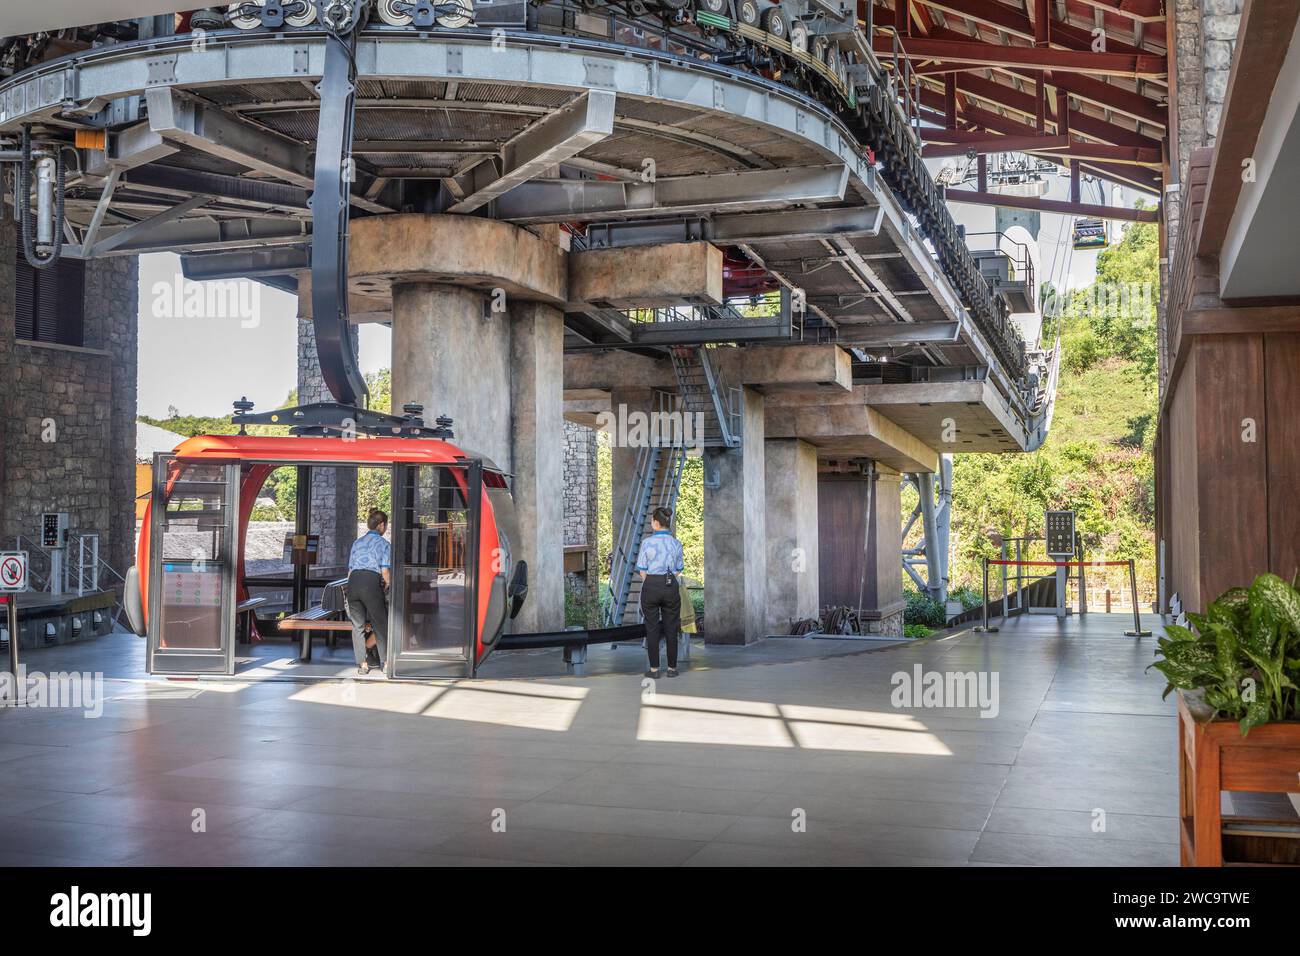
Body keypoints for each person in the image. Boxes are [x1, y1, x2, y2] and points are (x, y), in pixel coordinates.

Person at [635, 506, 685, 679]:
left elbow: (642, 570)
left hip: (651, 585)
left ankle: (654, 670)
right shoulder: (676, 543)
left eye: (651, 521)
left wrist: (651, 582)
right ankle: (672, 669)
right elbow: (679, 569)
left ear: (656, 523)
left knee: (652, 627)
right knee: (671, 627)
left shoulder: (647, 543)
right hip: (670, 585)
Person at [347, 508, 391, 676]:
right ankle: (385, 662)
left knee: (357, 626)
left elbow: (350, 570)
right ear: (380, 525)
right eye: (385, 525)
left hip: (353, 583)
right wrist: (390, 585)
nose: (385, 528)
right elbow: (385, 571)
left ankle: (363, 665)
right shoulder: (384, 544)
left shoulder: (357, 543)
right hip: (370, 583)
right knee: (380, 623)